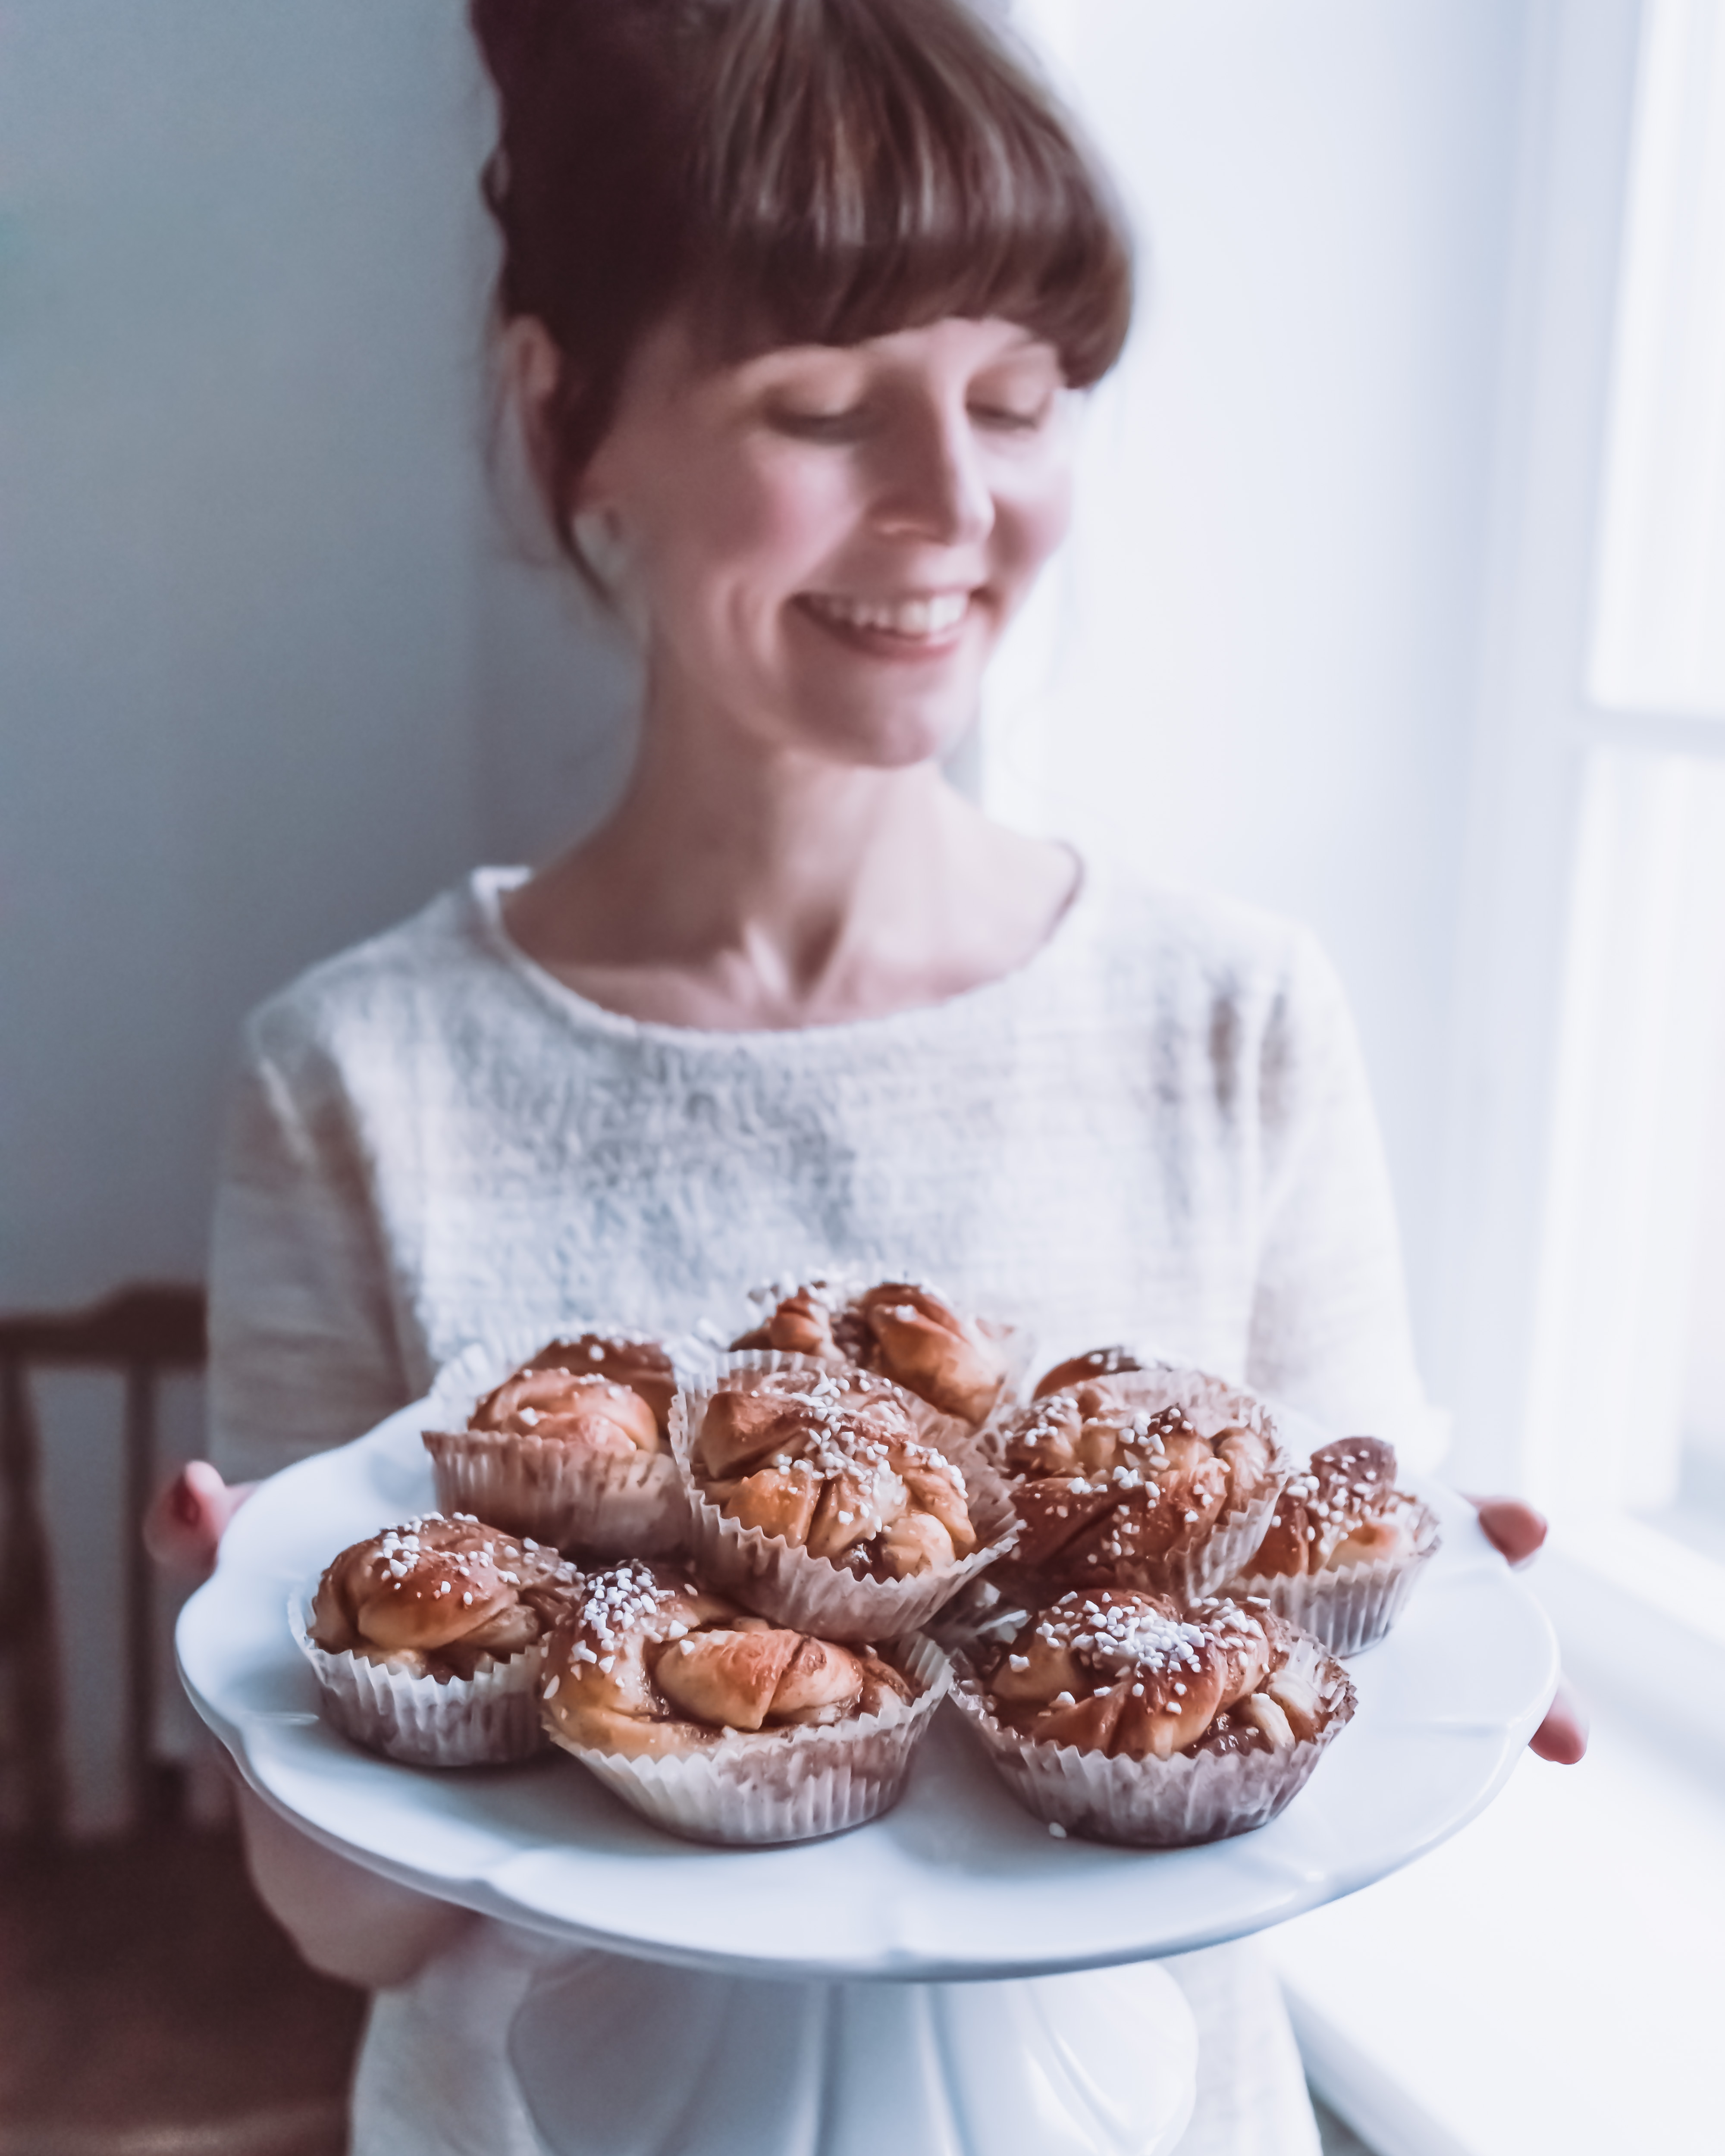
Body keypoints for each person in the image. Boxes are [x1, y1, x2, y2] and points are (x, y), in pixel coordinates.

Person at [147, 2, 1585, 2151]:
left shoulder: (1236, 1020)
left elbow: (1324, 1667)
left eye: (1019, 398)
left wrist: (1436, 1647)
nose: (953, 503)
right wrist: (270, 1673)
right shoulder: (357, 1074)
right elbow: (354, 1919)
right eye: (824, 405)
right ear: (568, 419)